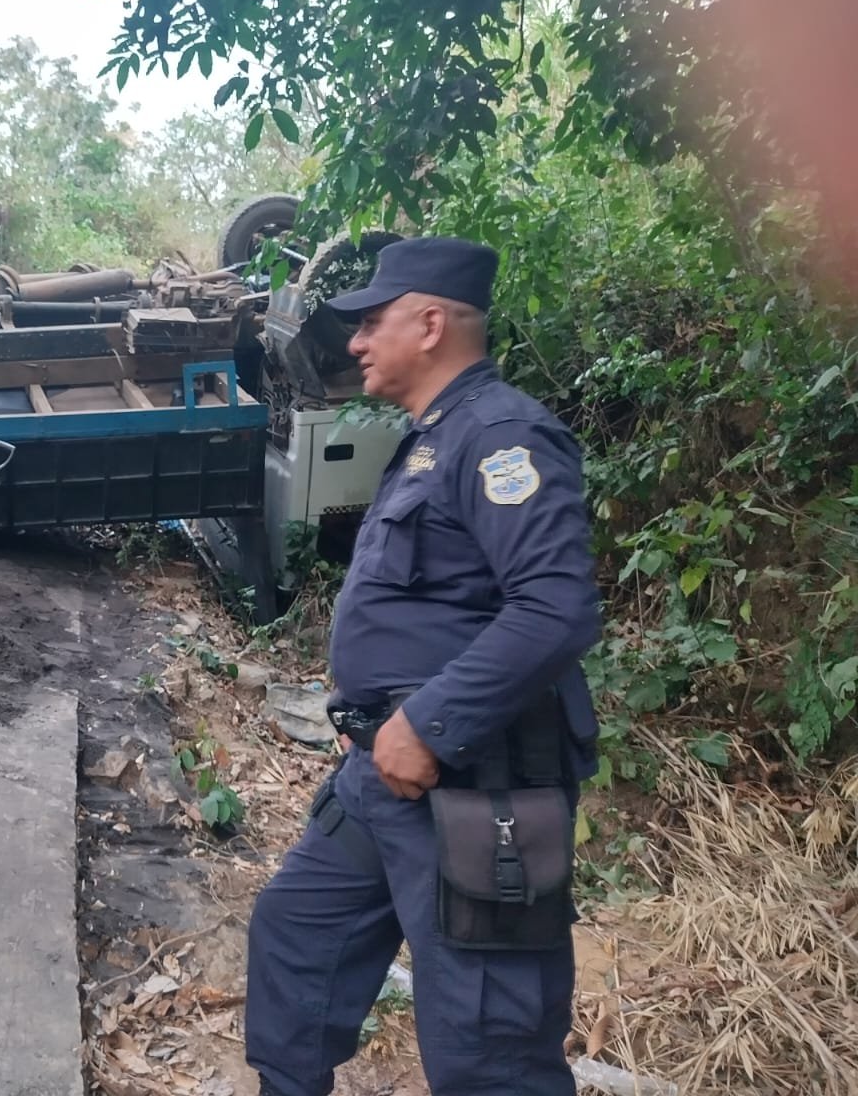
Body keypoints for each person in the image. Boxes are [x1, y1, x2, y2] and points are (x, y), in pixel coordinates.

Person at [244, 237, 603, 1096]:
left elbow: (556, 608)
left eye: (373, 321)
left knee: (489, 1044)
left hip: (470, 784)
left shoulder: (502, 436)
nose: (357, 341)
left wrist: (424, 725)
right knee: (297, 935)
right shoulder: (432, 438)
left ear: (431, 323)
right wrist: (371, 722)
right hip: (381, 780)